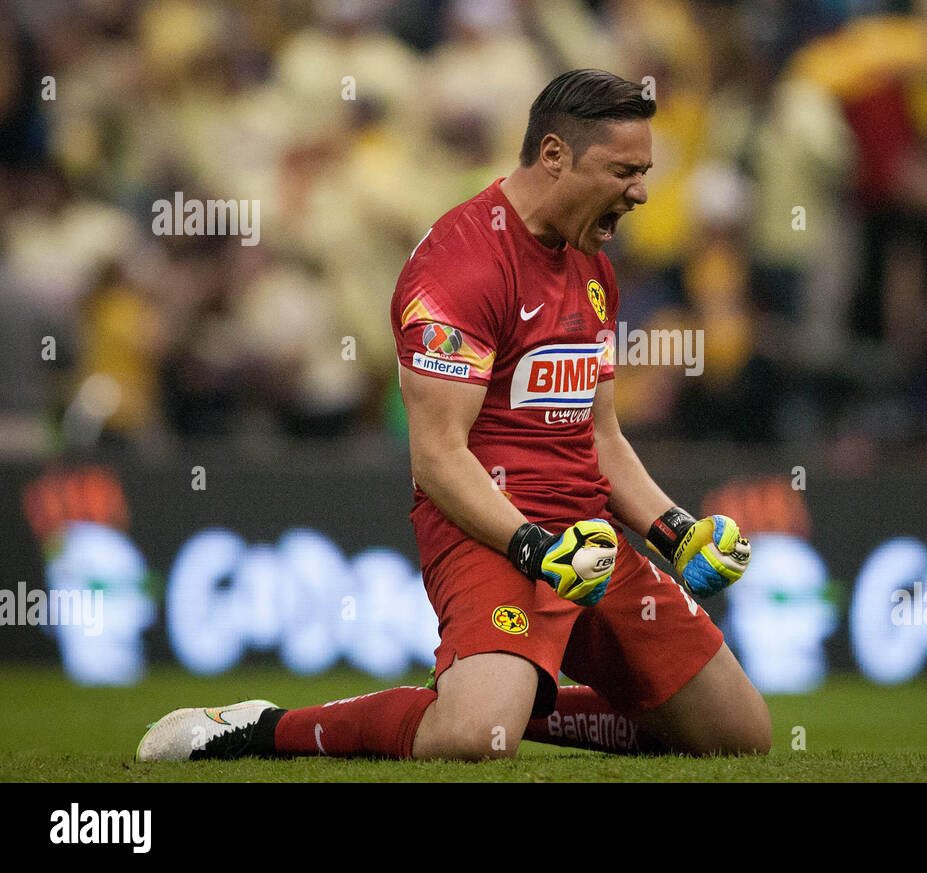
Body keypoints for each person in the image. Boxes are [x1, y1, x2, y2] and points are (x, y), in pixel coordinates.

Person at [137, 69, 771, 762]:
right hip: (494, 536)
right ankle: (262, 727)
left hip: (588, 538)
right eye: (624, 170)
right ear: (554, 155)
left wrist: (676, 532)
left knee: (740, 737)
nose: (642, 191)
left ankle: (509, 700)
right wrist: (534, 547)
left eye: (644, 171)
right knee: (474, 738)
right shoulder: (460, 264)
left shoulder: (594, 267)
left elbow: (600, 437)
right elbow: (436, 455)